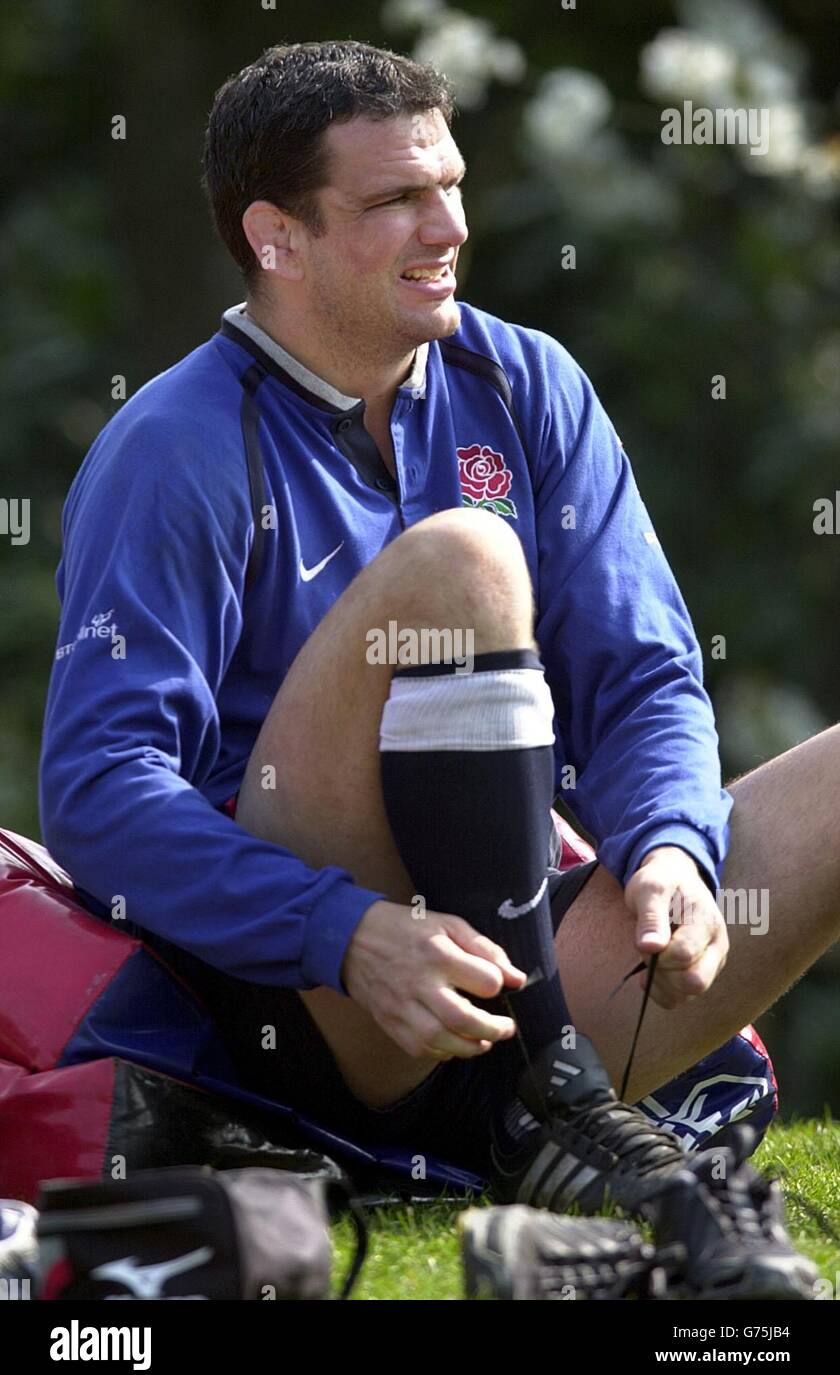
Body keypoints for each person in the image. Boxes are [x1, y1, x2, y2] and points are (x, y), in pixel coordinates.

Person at [39, 41, 838, 1237]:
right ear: (276, 238)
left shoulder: (526, 382)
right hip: (320, 1007)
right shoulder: (174, 446)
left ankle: (538, 1115)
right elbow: (98, 791)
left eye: (450, 185)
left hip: (526, 986)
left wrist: (672, 846)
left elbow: (644, 674)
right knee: (463, 562)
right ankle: (554, 1102)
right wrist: (345, 930)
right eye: (396, 201)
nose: (448, 224)